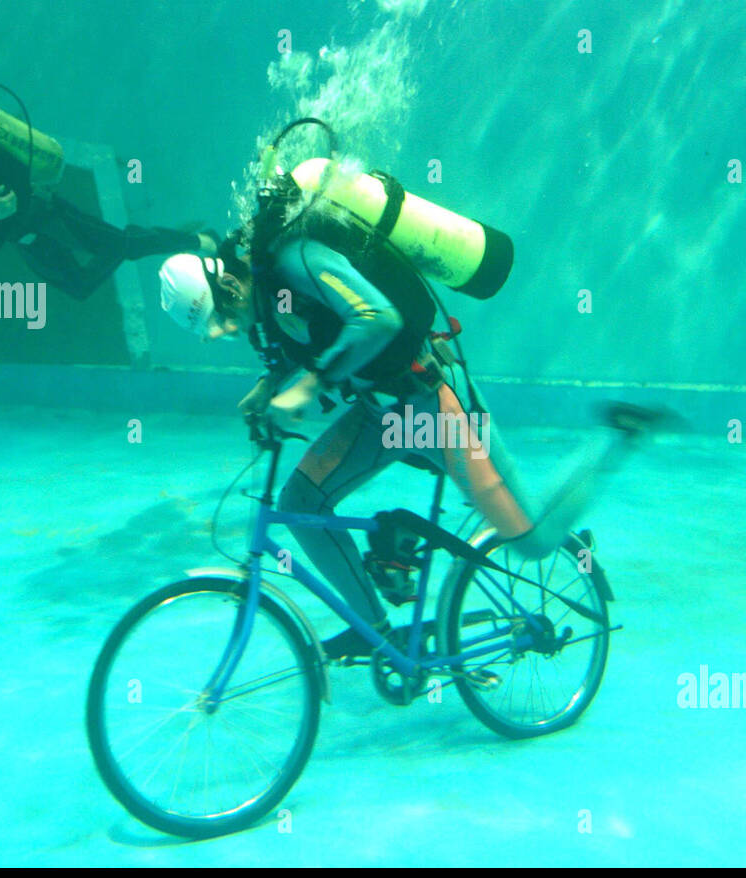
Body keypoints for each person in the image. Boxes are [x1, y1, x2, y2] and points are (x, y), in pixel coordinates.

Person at [159, 200, 658, 659]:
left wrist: (309, 385)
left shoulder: (296, 259)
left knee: (529, 538)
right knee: (299, 505)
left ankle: (620, 438)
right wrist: (271, 385)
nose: (227, 332)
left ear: (227, 287)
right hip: (384, 414)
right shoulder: (269, 296)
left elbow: (377, 317)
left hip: (435, 402)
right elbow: (316, 336)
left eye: (221, 321)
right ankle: (374, 630)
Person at [0, 86, 217, 299]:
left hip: (40, 211)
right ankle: (125, 239)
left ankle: (201, 241)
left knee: (125, 246)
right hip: (18, 234)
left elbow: (8, 205)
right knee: (80, 286)